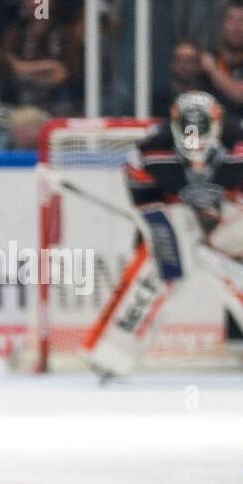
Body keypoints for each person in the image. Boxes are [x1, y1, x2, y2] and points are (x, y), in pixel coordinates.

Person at [87, 91, 243, 379]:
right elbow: (146, 201)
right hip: (178, 213)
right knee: (162, 265)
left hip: (229, 213)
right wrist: (167, 237)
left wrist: (219, 226)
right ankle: (113, 353)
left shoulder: (239, 145)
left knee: (233, 264)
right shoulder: (149, 152)